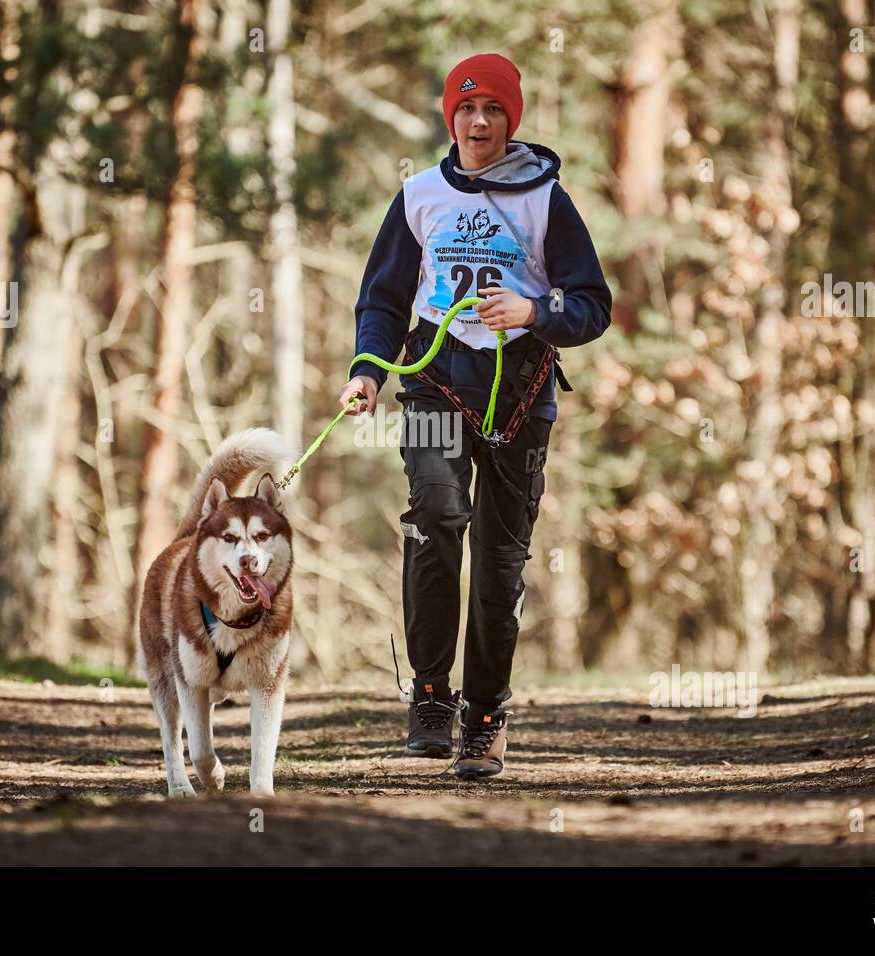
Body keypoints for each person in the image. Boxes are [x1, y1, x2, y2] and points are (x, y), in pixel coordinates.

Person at [339, 52, 612, 779]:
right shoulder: (419, 195)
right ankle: (430, 696)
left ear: (509, 118)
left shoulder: (547, 199)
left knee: (499, 562)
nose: (479, 121)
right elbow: (383, 299)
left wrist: (536, 309)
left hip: (523, 393)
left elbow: (593, 306)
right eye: (466, 109)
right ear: (449, 117)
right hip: (432, 381)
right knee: (435, 516)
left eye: (492, 109)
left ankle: (485, 716)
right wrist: (367, 371)